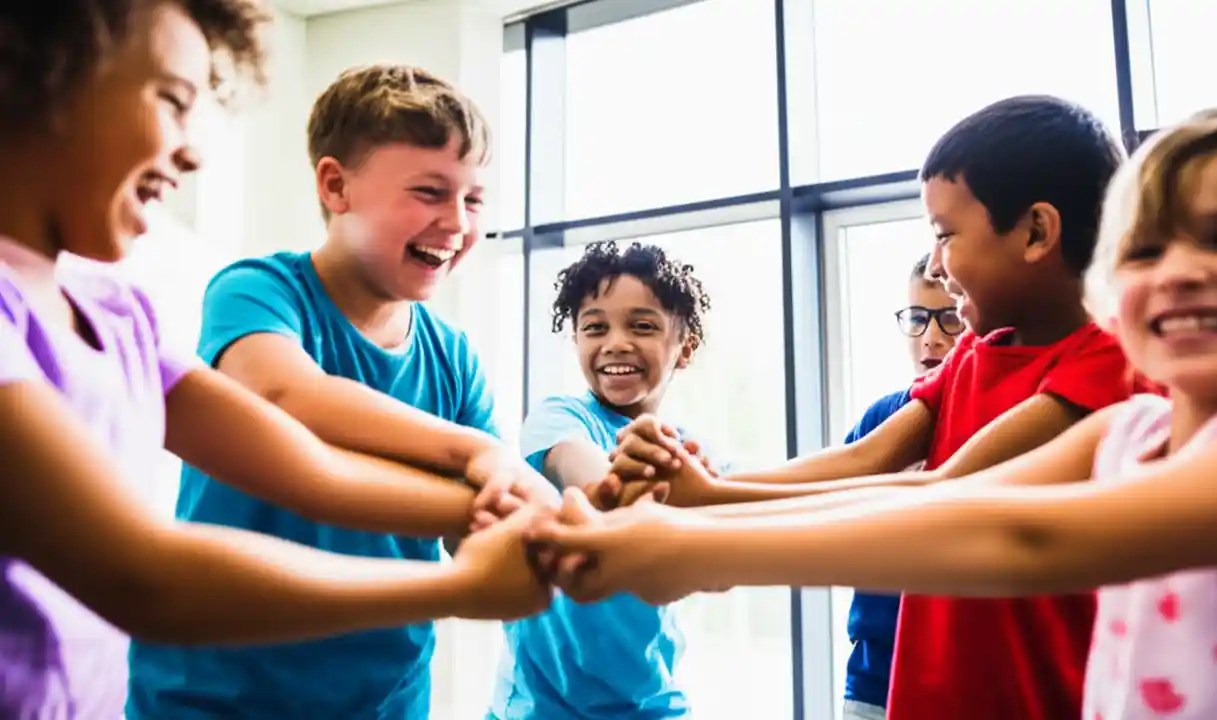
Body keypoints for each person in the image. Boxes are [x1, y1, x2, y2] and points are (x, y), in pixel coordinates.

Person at [531, 107, 1217, 720]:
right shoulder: (1123, 432)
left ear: (1039, 232)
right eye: (1143, 251)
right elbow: (885, 471)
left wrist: (697, 541)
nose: (1178, 271)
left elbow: (1000, 525)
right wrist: (705, 504)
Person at [0, 3, 547, 718]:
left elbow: (309, 470)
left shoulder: (118, 314)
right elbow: (145, 578)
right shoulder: (258, 291)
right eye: (172, 102)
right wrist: (459, 584)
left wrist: (541, 515)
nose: (193, 152)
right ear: (37, 80)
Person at [126, 63, 559, 719]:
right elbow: (280, 393)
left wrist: (549, 520)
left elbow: (480, 526)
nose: (457, 222)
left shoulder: (454, 358)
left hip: (384, 703)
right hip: (215, 697)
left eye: (473, 199)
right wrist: (473, 451)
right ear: (336, 186)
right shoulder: (259, 290)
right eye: (429, 191)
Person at [490, 240, 713, 719]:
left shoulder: (694, 452)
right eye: (594, 327)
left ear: (684, 349)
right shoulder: (559, 418)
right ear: (576, 341)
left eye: (643, 326)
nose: (615, 342)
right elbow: (598, 485)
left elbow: (743, 519)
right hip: (541, 707)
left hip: (652, 705)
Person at [842, 252, 961, 720]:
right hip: (877, 678)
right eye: (916, 319)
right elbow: (831, 513)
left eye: (949, 318)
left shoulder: (1006, 414)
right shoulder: (881, 418)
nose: (930, 337)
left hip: (961, 676)